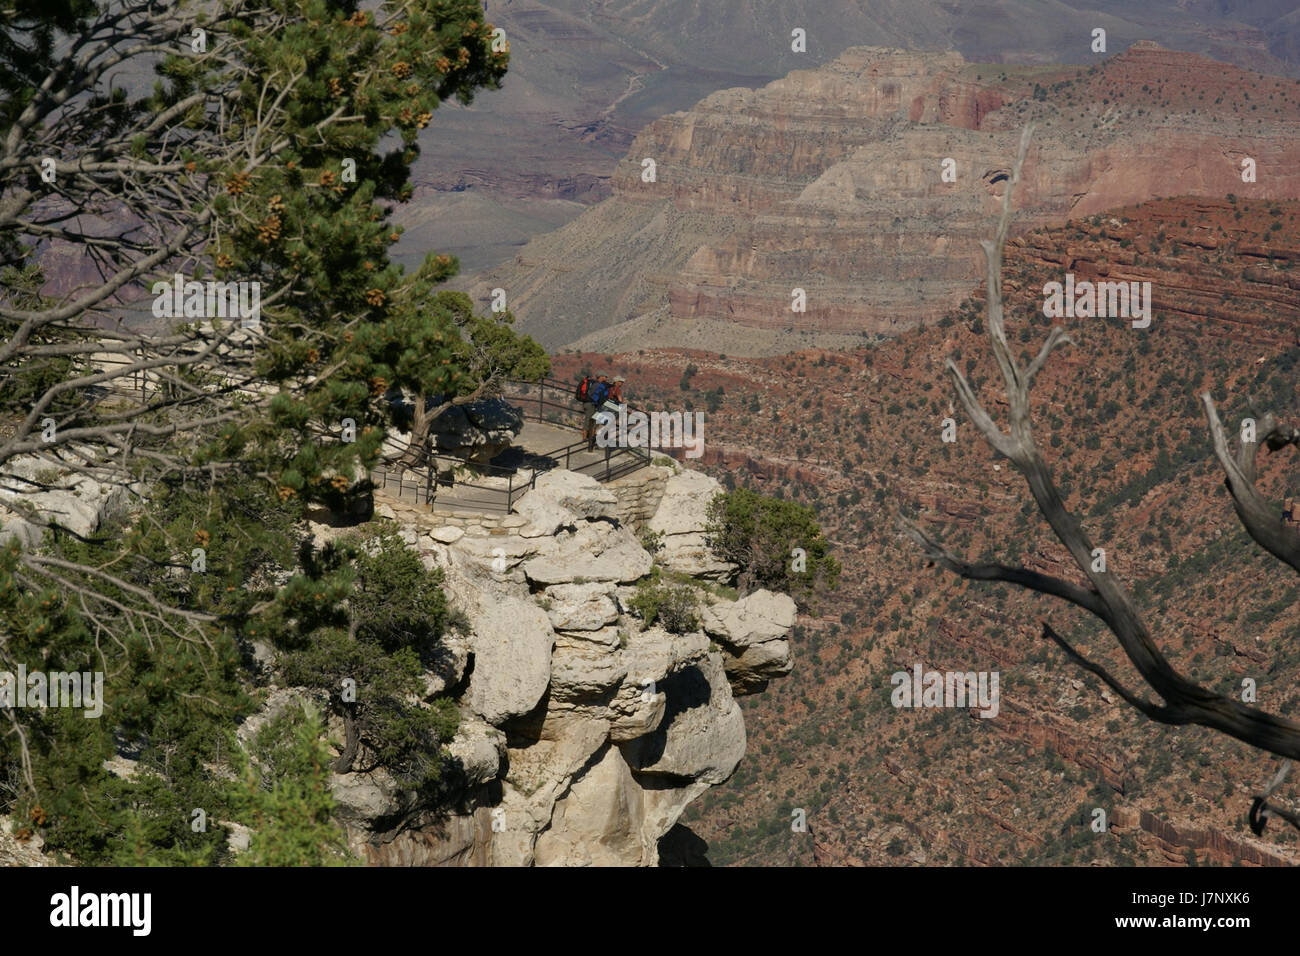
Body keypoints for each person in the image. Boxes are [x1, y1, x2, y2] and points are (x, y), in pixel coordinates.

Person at [584, 374, 610, 450]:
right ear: (601, 376)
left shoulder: (598, 385)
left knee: (594, 424)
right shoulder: (600, 386)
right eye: (605, 376)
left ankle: (590, 442)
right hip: (599, 407)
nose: (606, 378)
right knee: (598, 425)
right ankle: (593, 443)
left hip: (595, 406)